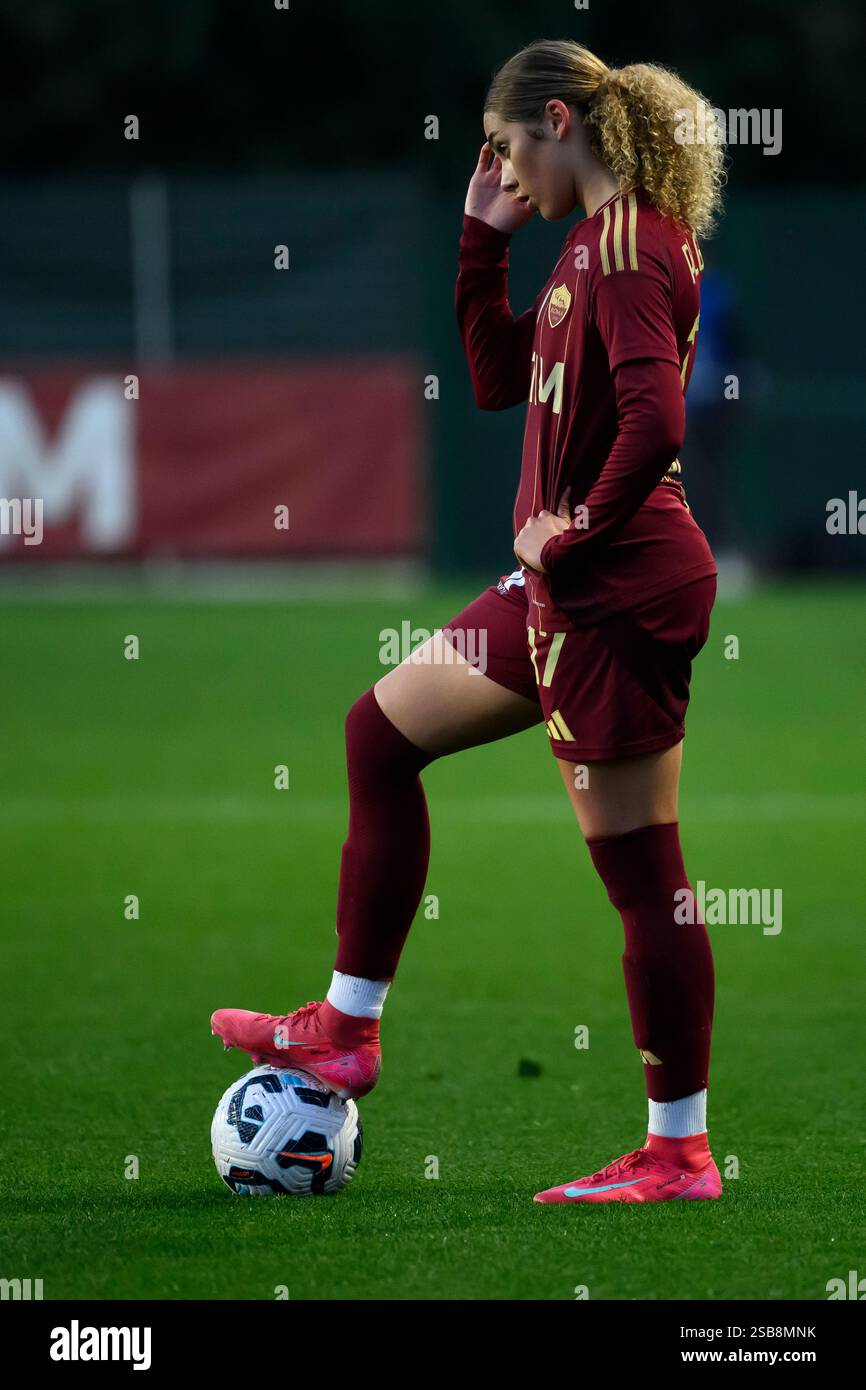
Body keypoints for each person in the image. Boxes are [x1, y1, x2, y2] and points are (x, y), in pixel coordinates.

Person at [212, 39, 726, 1205]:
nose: (498, 168)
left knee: (646, 880)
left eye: (502, 149)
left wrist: (575, 527)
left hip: (617, 588)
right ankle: (345, 1031)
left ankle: (677, 1152)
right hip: (558, 586)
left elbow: (655, 422)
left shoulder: (633, 244)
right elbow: (498, 381)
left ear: (555, 119)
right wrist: (480, 240)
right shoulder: (584, 246)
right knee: (377, 733)